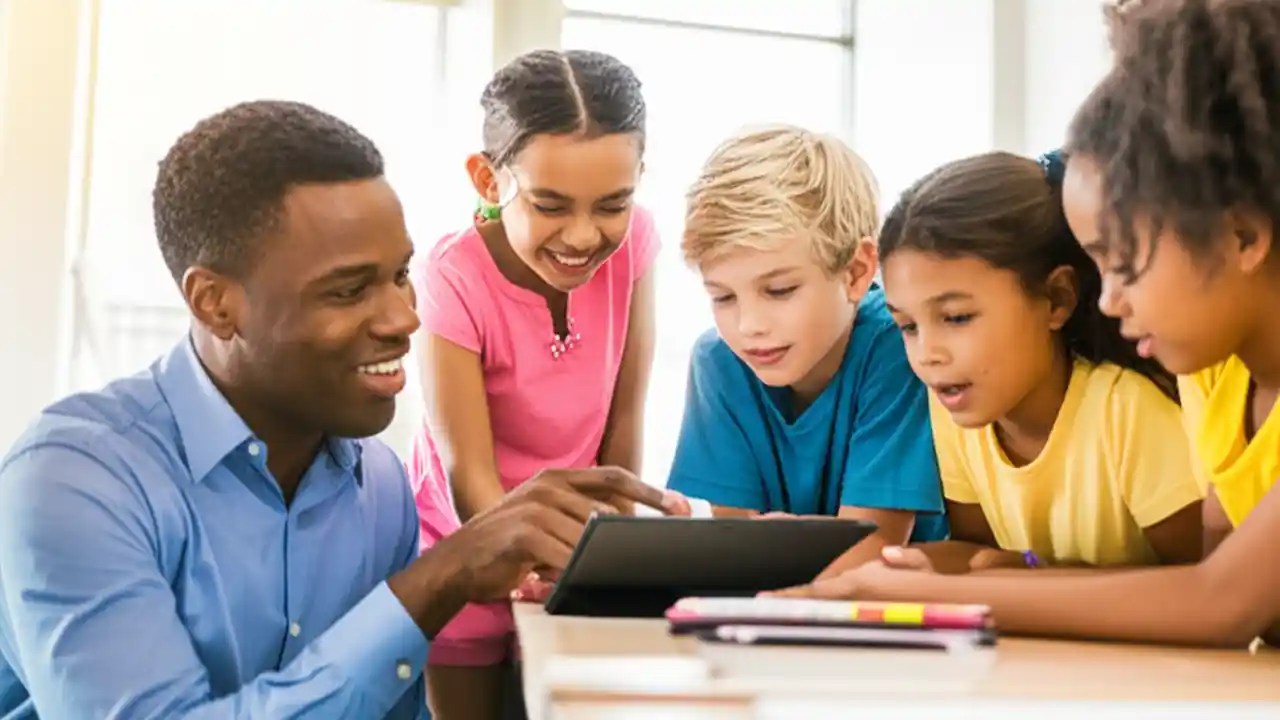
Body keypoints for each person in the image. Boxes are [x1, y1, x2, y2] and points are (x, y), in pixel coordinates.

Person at [0, 99, 677, 720]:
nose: (405, 318)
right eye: (349, 291)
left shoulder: (379, 488)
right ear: (215, 303)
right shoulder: (73, 480)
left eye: (401, 275)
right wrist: (437, 579)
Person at [771, 0, 1280, 648]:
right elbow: (1218, 598)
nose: (1109, 300)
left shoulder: (1159, 399)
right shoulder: (1214, 381)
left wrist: (928, 593)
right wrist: (983, 578)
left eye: (1123, 264)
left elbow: (1220, 604)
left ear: (1240, 234)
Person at [408, 49, 660, 718]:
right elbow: (468, 472)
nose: (584, 235)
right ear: (488, 180)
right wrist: (516, 559)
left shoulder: (634, 243)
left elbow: (625, 418)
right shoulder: (452, 278)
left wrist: (607, 564)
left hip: (574, 554)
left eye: (613, 203)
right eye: (550, 204)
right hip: (466, 550)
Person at [871, 149, 1203, 574]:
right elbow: (980, 553)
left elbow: (1201, 582)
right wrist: (901, 566)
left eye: (956, 318)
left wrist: (1032, 574)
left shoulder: (1128, 413)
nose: (927, 354)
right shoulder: (954, 408)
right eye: (908, 326)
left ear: (1056, 299)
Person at [668, 125, 948, 577]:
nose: (749, 326)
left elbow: (873, 545)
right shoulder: (719, 361)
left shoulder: (898, 347)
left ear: (856, 272)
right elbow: (737, 546)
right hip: (793, 610)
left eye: (779, 290)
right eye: (722, 297)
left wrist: (773, 555)